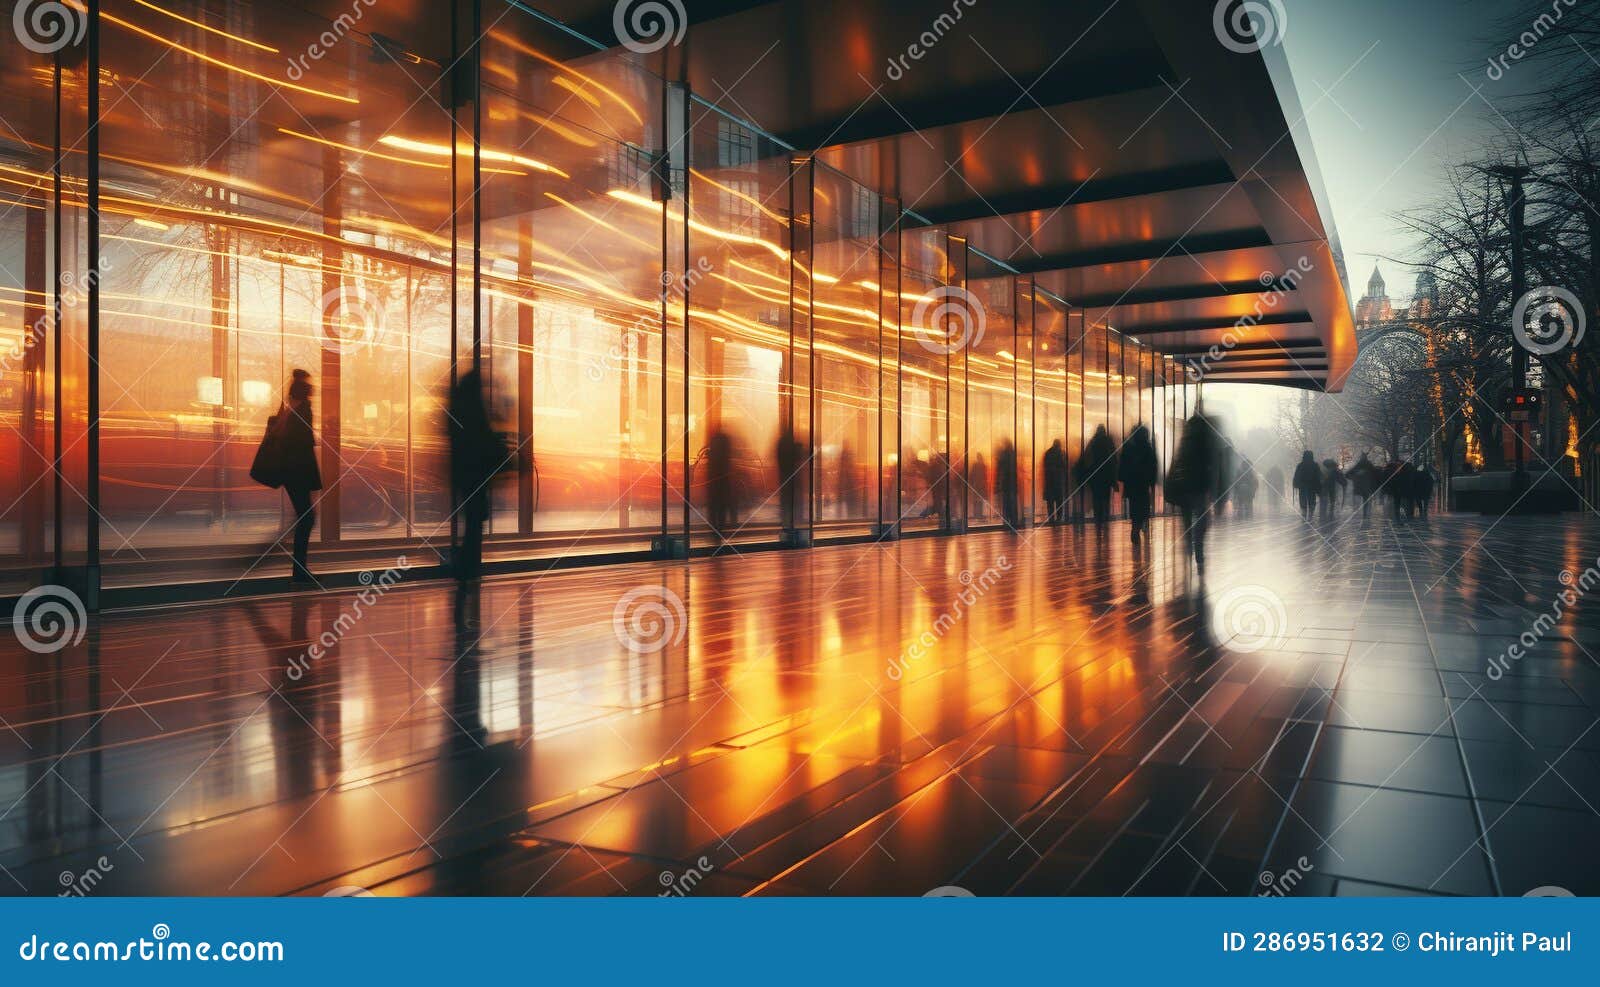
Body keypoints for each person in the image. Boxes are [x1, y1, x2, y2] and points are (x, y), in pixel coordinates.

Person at [449, 368, 507, 631]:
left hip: (463, 473)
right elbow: (485, 439)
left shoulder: (456, 408)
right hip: (476, 473)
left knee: (473, 519)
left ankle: (466, 568)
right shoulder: (475, 412)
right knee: (476, 520)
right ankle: (467, 567)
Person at [276, 369, 321, 585]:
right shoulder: (303, 410)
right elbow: (304, 446)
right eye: (309, 386)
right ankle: (299, 570)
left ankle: (299, 568)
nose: (313, 389)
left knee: (305, 517)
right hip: (298, 473)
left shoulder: (289, 408)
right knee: (307, 518)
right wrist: (312, 479)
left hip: (290, 472)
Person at [1166, 413, 1221, 569]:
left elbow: (1176, 461)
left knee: (1186, 516)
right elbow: (1212, 466)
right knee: (1202, 516)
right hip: (1199, 485)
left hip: (1184, 485)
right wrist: (1213, 489)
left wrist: (1172, 481)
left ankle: (1189, 543)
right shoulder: (1205, 441)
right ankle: (1198, 547)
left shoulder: (1186, 439)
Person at [1119, 425, 1158, 546]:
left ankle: (1135, 528)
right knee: (1143, 508)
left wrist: (1122, 480)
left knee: (1135, 508)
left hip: (1132, 484)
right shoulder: (1148, 448)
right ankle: (1138, 527)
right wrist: (1152, 482)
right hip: (1143, 484)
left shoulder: (1129, 448)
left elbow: (1122, 466)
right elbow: (1153, 466)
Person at [1079, 424, 1118, 531]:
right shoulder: (1108, 442)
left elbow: (1086, 458)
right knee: (1105, 498)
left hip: (1095, 476)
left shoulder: (1093, 442)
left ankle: (1098, 520)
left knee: (1096, 498)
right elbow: (1113, 460)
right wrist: (1114, 477)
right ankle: (1105, 518)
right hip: (1106, 476)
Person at [995, 439, 1020, 528]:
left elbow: (999, 469)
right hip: (1012, 483)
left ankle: (1008, 521)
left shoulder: (1004, 454)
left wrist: (997, 483)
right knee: (1012, 503)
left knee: (1006, 504)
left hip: (1006, 483)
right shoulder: (1013, 453)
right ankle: (1013, 521)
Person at [1042, 439, 1068, 524]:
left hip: (1050, 481)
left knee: (1050, 501)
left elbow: (1045, 467)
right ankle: (1059, 518)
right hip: (1058, 481)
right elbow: (1064, 466)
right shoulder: (1062, 453)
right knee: (1059, 501)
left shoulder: (1048, 453)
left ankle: (1051, 518)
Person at [1346, 453, 1378, 518]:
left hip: (1360, 486)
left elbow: (1348, 474)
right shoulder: (1369, 465)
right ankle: (1364, 513)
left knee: (1362, 499)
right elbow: (1376, 473)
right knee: (1366, 499)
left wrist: (1354, 477)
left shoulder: (1359, 465)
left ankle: (1362, 512)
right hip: (1367, 485)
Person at [1292, 451, 1320, 521]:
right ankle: (1310, 514)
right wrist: (1318, 486)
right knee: (1312, 500)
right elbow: (1318, 476)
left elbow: (1296, 475)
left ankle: (1304, 514)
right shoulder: (1315, 465)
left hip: (1302, 486)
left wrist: (1295, 483)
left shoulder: (1300, 465)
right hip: (1312, 486)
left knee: (1303, 499)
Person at [970, 452, 990, 520]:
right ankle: (979, 514)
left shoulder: (975, 465)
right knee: (980, 500)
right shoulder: (983, 465)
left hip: (977, 484)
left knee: (976, 500)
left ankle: (976, 514)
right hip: (981, 485)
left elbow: (972, 475)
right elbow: (985, 476)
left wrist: (971, 483)